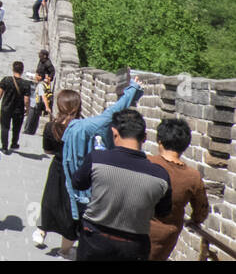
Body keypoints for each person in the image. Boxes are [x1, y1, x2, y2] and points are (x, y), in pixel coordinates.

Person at [71, 109, 171, 261]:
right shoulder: (160, 176)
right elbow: (163, 212)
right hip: (134, 246)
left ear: (114, 133)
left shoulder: (97, 159)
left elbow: (78, 183)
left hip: (94, 239)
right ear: (144, 137)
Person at [62, 78, 143, 227]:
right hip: (93, 192)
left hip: (70, 183)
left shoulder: (68, 128)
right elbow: (113, 111)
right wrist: (133, 88)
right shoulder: (91, 127)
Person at [148, 118, 211, 261]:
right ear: (185, 145)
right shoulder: (193, 177)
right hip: (165, 238)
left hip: (136, 231)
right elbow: (201, 211)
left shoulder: (146, 163)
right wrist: (194, 220)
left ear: (159, 141)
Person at [35, 89, 82, 257]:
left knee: (50, 199)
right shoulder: (82, 128)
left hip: (58, 167)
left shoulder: (51, 127)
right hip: (76, 170)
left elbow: (47, 150)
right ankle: (65, 250)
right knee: (71, 208)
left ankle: (41, 230)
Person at [0, 62, 31, 152]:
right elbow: (26, 100)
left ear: (13, 69)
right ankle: (14, 143)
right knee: (16, 128)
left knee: (5, 127)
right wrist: (27, 109)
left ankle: (4, 146)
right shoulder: (26, 84)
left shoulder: (6, 80)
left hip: (6, 107)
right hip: (19, 109)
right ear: (22, 70)